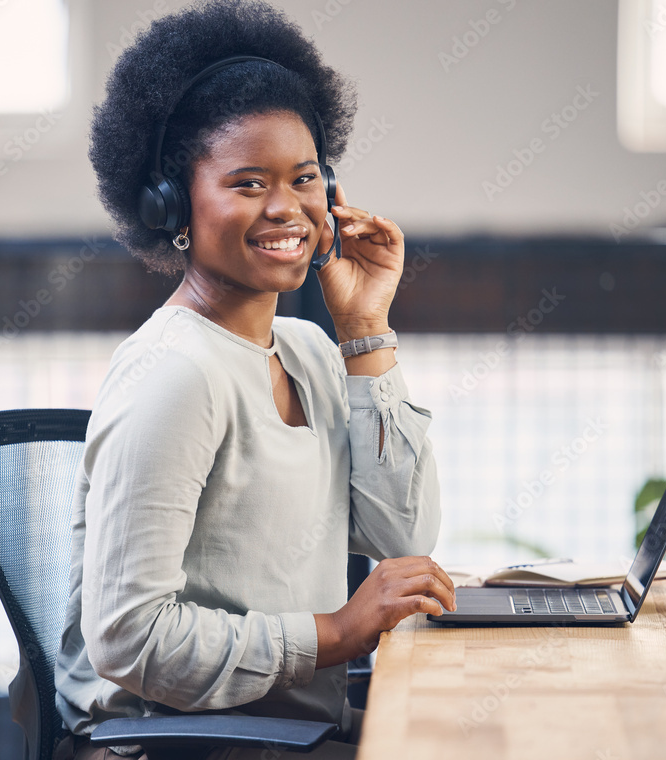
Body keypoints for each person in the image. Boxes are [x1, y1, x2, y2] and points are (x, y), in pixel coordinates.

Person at [53, 2, 455, 758]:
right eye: (246, 183)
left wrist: (366, 333)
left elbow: (401, 537)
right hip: (177, 743)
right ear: (173, 205)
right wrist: (334, 632)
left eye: (305, 178)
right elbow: (128, 638)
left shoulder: (303, 350)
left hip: (283, 730)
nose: (286, 208)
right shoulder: (175, 375)